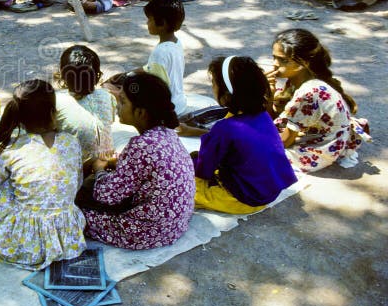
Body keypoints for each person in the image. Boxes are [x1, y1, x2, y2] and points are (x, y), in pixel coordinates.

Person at [0, 79, 86, 270]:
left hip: (24, 243)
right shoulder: (71, 142)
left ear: (20, 118)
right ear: (53, 113)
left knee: (5, 185)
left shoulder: (12, 150)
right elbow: (77, 182)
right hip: (67, 238)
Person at [80, 72, 195, 250]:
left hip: (149, 231)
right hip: (177, 223)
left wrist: (99, 169)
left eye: (123, 102)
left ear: (140, 112)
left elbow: (107, 195)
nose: (118, 106)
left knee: (76, 212)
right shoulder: (167, 133)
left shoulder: (141, 146)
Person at [193, 56, 297, 214]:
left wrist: (190, 161)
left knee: (177, 189)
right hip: (269, 192)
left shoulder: (224, 128)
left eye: (213, 83)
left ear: (227, 94)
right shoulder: (263, 115)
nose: (212, 87)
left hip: (243, 199)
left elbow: (204, 171)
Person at [268, 29, 371, 173]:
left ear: (303, 62)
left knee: (252, 153)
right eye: (274, 57)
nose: (275, 64)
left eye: (283, 60)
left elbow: (284, 142)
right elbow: (275, 117)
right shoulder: (299, 80)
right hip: (314, 134)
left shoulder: (309, 92)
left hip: (319, 149)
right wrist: (269, 94)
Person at [58, 45, 115, 162]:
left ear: (63, 76)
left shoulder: (57, 101)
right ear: (97, 76)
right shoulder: (107, 96)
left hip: (79, 167)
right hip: (106, 161)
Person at [143, 0, 188, 116]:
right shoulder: (176, 42)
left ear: (162, 23)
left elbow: (156, 88)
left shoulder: (159, 52)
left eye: (149, 20)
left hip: (166, 108)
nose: (147, 23)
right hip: (180, 102)